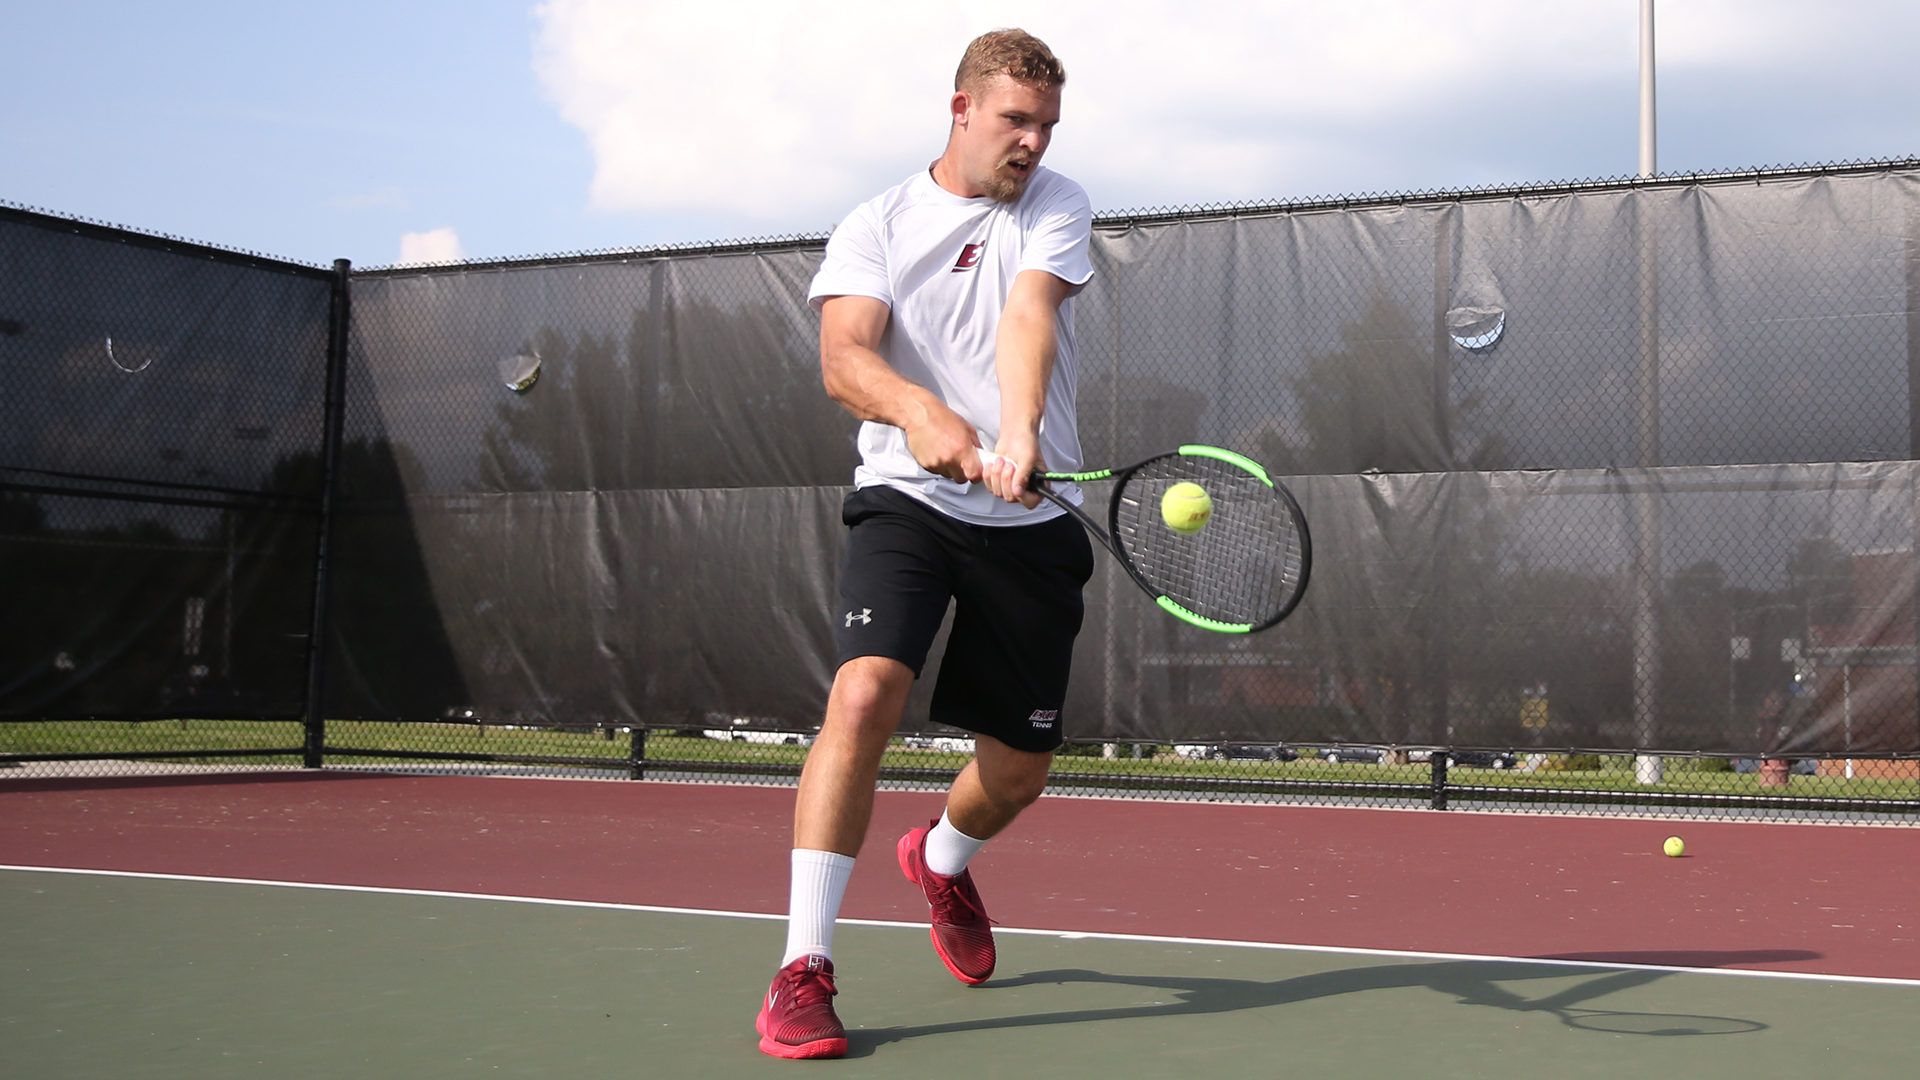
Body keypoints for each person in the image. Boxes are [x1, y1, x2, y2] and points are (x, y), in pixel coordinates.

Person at [754, 28, 1096, 1061]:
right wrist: (921, 416)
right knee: (862, 694)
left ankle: (941, 859)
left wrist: (1019, 432)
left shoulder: (1059, 205)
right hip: (907, 504)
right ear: (960, 110)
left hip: (1029, 524)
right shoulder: (877, 224)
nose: (1032, 142)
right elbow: (843, 358)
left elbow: (1027, 315)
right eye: (1015, 120)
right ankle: (802, 969)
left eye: (1046, 125)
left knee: (1020, 771)